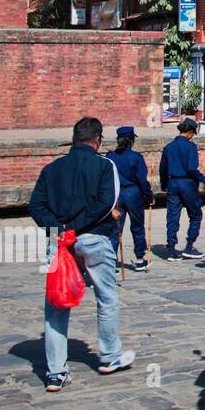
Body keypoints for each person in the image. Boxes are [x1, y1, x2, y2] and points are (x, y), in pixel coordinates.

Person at [30, 117, 134, 391]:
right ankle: (110, 356)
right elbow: (105, 203)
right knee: (107, 297)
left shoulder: (51, 169)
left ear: (74, 139)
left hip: (59, 242)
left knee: (55, 307)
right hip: (92, 237)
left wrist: (59, 227)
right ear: (97, 139)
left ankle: (55, 372)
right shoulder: (103, 166)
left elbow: (36, 206)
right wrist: (74, 227)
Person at [159, 118, 205, 261]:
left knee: (173, 216)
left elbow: (163, 168)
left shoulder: (169, 147)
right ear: (190, 132)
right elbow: (192, 168)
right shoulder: (190, 147)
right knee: (196, 214)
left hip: (172, 182)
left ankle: (171, 249)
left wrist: (164, 184)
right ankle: (189, 246)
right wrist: (203, 179)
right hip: (187, 183)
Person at [106, 125, 152, 271]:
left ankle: (111, 260)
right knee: (137, 226)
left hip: (117, 193)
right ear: (132, 140)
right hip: (133, 193)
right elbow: (142, 179)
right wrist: (148, 194)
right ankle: (139, 259)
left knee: (115, 228)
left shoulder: (110, 157)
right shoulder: (136, 157)